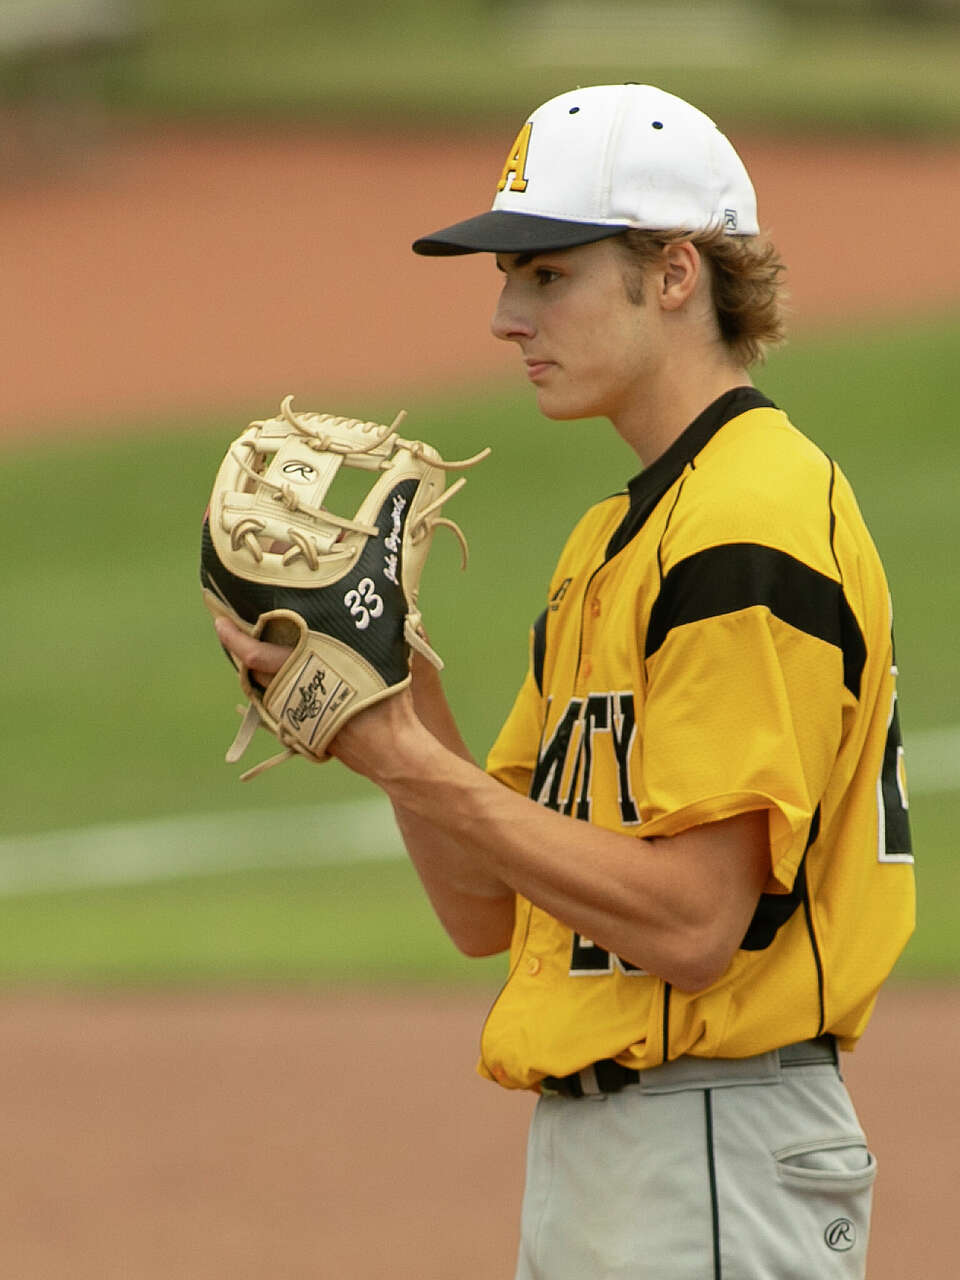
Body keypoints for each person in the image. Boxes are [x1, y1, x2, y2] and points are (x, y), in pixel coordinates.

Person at [215, 84, 915, 1279]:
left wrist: (407, 760)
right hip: (628, 1151)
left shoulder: (750, 523)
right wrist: (391, 684)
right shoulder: (618, 540)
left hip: (713, 1143)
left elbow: (696, 922)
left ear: (676, 272)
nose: (504, 315)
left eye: (548, 274)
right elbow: (485, 909)